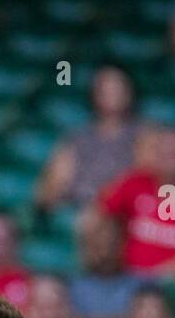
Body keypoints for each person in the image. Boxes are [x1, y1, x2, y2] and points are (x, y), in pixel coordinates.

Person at [83, 126, 175, 306]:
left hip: (173, 281)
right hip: (127, 275)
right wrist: (98, 251)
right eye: (164, 153)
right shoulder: (136, 183)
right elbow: (97, 214)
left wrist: (163, 272)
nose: (169, 159)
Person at [35, 65, 141, 211]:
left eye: (117, 87)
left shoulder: (144, 135)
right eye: (105, 88)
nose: (111, 93)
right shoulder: (78, 136)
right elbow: (55, 182)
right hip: (78, 206)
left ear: (129, 92)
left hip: (117, 211)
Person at [68, 215, 145, 318]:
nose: (106, 251)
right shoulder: (74, 285)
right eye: (99, 244)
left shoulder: (139, 284)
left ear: (122, 245)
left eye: (112, 243)